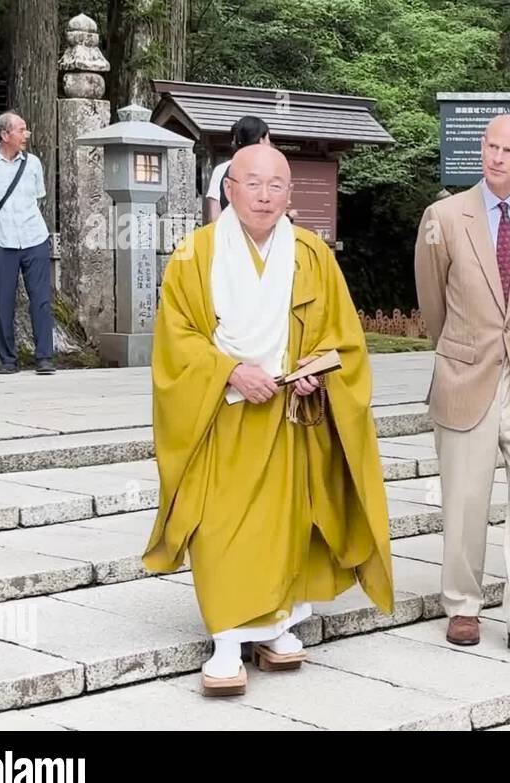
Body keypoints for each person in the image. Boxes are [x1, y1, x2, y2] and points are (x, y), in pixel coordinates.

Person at [143, 144, 395, 696]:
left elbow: (341, 336)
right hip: (222, 418)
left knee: (288, 523)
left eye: (276, 185)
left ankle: (278, 626)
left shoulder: (312, 254)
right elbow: (177, 340)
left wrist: (316, 370)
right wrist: (230, 370)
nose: (264, 195)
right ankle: (228, 641)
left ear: (289, 193)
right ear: (228, 188)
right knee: (223, 527)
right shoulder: (195, 253)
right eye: (251, 183)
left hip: (289, 417)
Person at [413, 114, 510, 665]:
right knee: (465, 497)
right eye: (490, 146)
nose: (497, 157)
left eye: (509, 150)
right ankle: (462, 605)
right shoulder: (443, 215)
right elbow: (431, 296)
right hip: (465, 369)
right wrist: (459, 343)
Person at [0, 111, 54, 375]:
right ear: (5, 134)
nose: (25, 135)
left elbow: (37, 198)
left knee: (41, 299)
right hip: (1, 239)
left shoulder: (34, 163)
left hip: (34, 236)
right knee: (3, 300)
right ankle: (8, 360)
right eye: (20, 130)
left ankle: (44, 358)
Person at [205, 116, 271, 224]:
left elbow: (214, 215)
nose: (269, 144)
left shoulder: (221, 170)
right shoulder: (270, 171)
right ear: (261, 141)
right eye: (268, 139)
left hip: (227, 236)